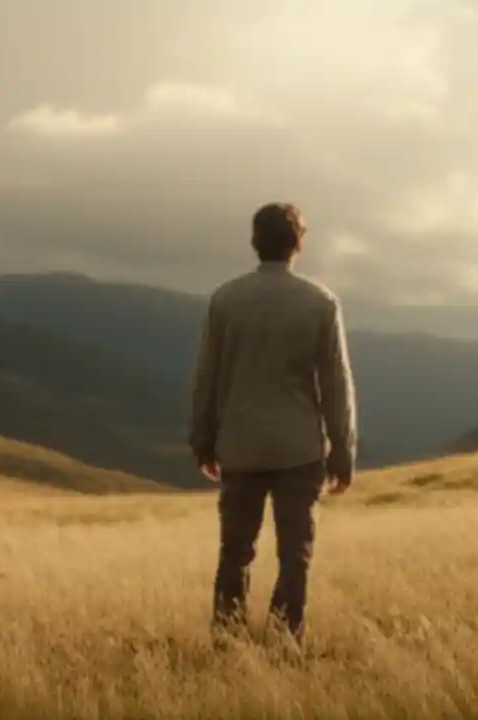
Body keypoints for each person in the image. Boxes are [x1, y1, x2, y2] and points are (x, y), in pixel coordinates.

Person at [189, 201, 358, 642]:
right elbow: (336, 383)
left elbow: (207, 376)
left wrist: (203, 440)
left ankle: (228, 641)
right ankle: (285, 643)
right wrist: (343, 449)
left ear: (254, 242)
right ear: (298, 243)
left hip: (240, 445)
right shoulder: (320, 302)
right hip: (299, 448)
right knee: (294, 555)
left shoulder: (226, 299)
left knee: (235, 553)